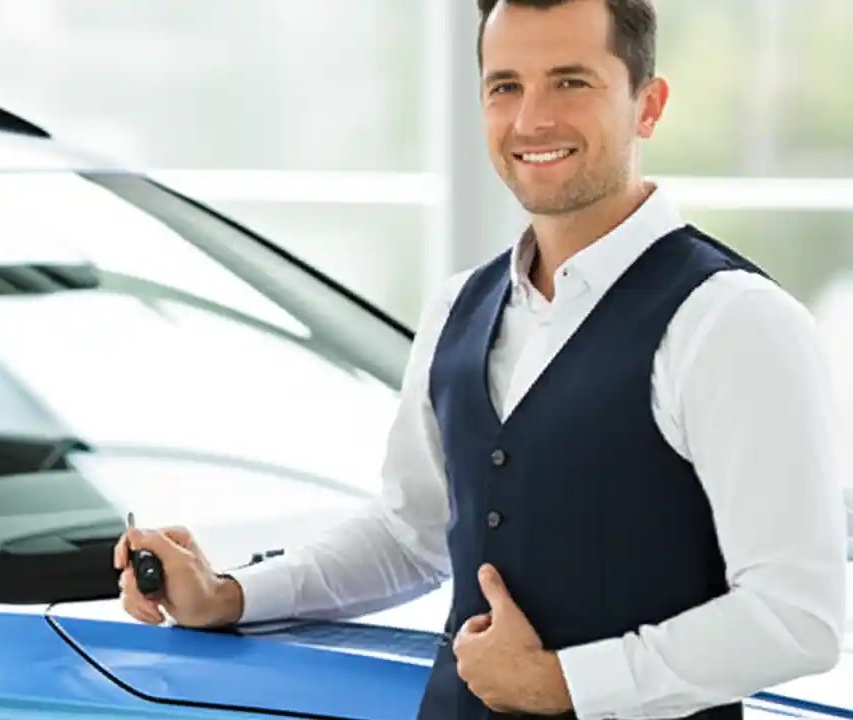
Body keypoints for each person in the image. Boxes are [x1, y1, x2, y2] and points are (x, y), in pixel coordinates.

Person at [114, 0, 849, 717]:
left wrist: (564, 684)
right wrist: (230, 594)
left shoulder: (733, 321)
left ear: (647, 106)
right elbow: (410, 536)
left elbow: (797, 616)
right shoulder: (457, 307)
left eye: (570, 82)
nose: (531, 120)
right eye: (505, 87)